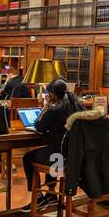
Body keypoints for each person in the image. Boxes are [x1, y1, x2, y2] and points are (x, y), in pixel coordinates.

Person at [24, 78, 85, 206]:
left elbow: (39, 127)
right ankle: (51, 193)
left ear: (51, 94)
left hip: (59, 157)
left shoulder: (54, 110)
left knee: (28, 158)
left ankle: (38, 196)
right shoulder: (78, 107)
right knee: (52, 152)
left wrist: (46, 107)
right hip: (74, 155)